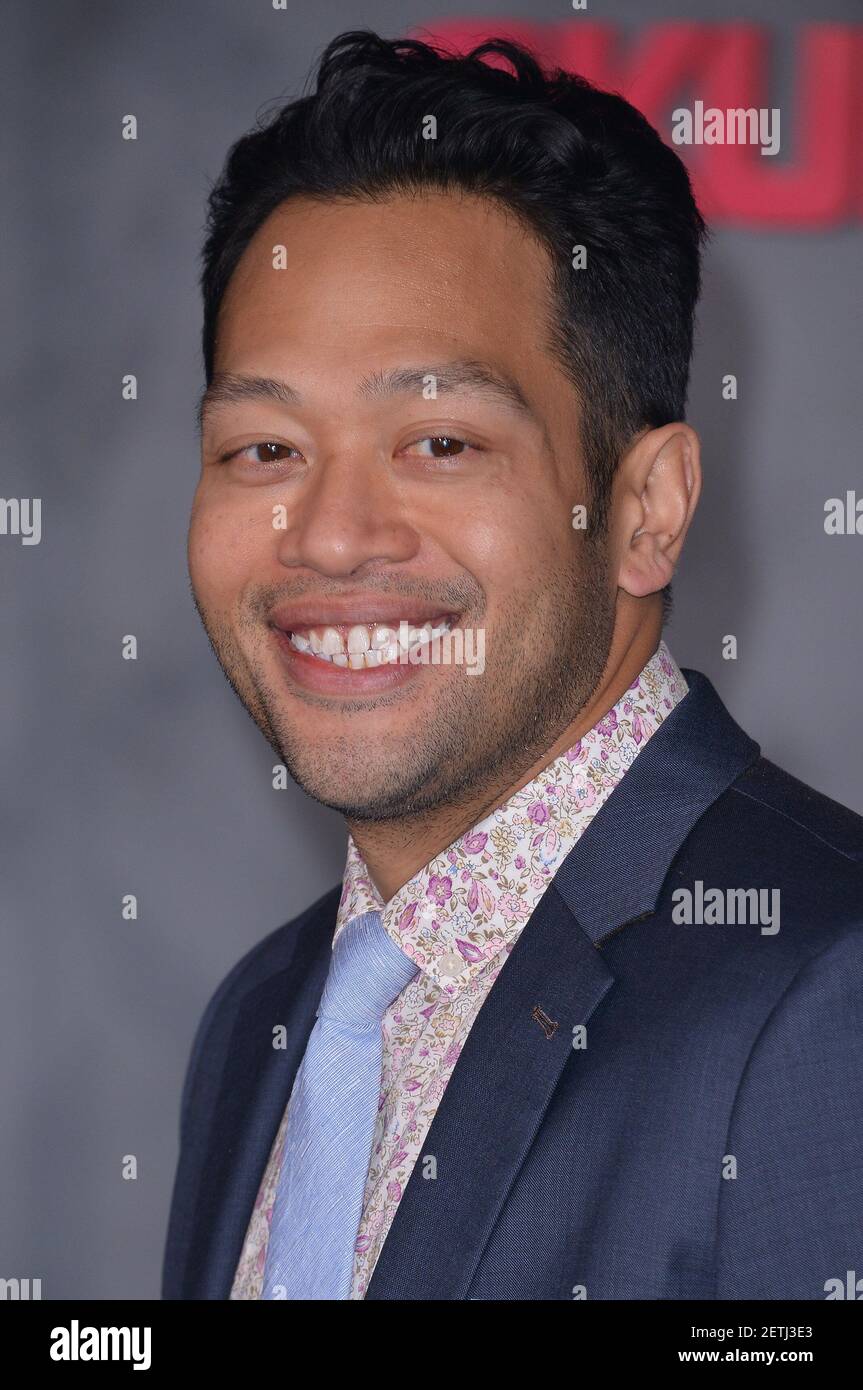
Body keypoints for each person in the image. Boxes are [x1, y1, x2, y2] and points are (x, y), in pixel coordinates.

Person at [162, 29, 863, 1300]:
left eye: (436, 440)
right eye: (262, 449)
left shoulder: (828, 993)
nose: (327, 533)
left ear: (645, 507)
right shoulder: (259, 1019)